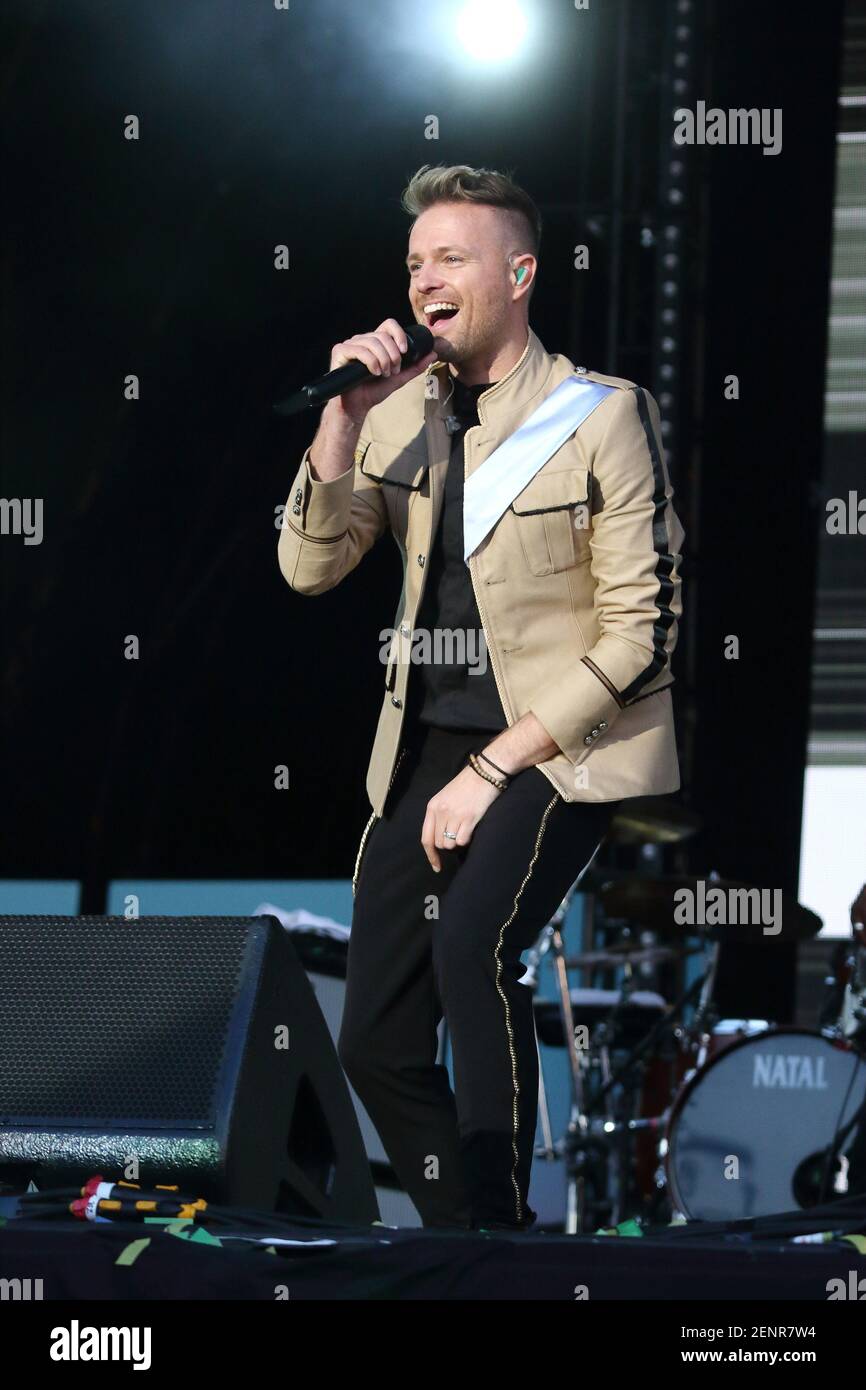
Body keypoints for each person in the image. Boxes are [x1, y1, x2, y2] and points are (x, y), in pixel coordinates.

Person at [278, 164, 685, 1232]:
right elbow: (308, 569)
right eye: (416, 262)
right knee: (374, 1038)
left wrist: (493, 767)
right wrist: (341, 420)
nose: (425, 280)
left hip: (558, 745)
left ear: (519, 274)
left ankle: (502, 1249)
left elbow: (642, 632)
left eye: (451, 258)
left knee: (475, 949)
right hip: (423, 746)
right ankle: (468, 1239)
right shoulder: (393, 413)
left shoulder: (600, 416)